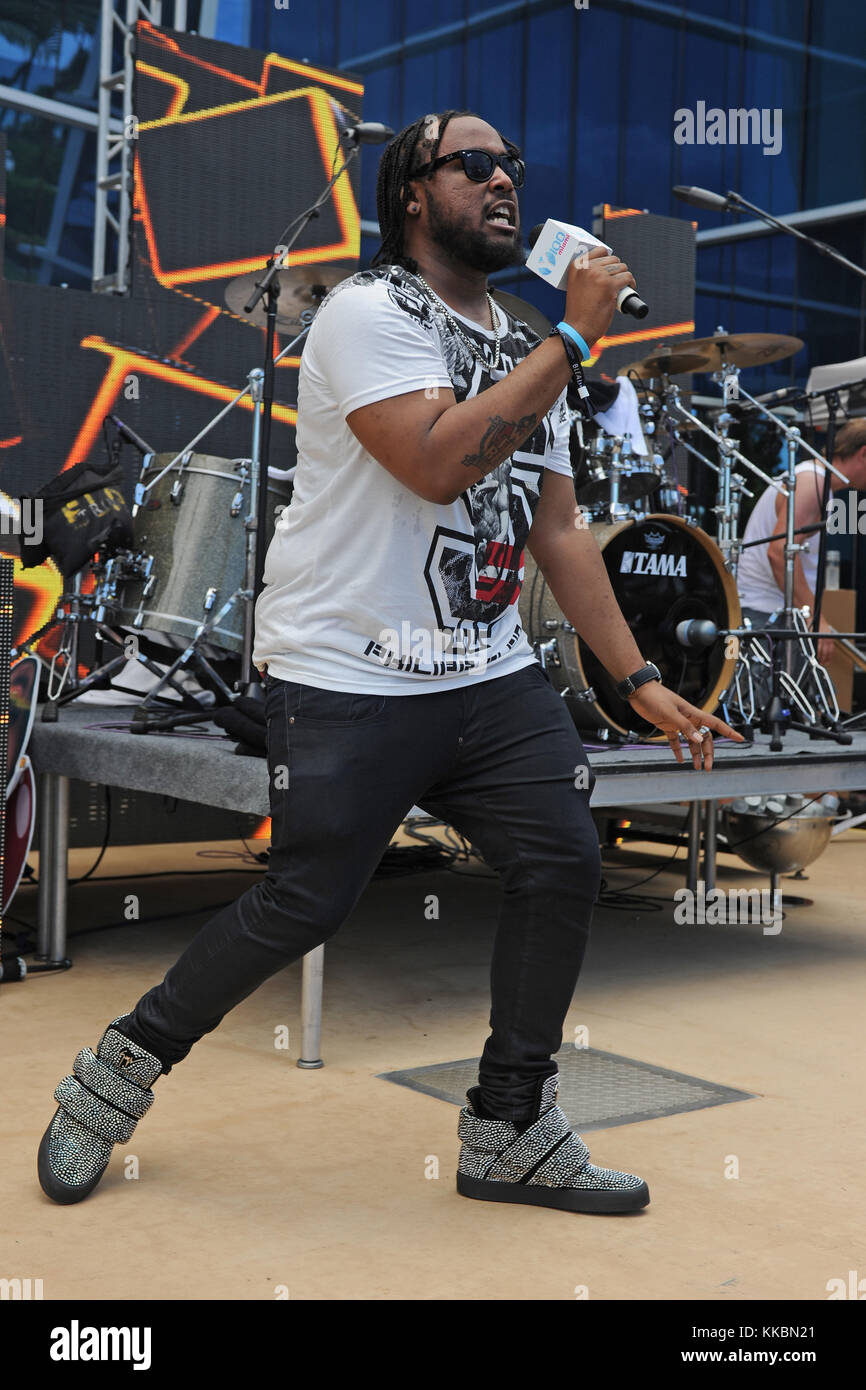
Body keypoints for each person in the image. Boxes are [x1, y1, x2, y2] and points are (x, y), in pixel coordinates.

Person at [38, 110, 742, 1216]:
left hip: (486, 670)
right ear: (412, 192)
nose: (503, 178)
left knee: (560, 857)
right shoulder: (364, 314)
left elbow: (556, 530)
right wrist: (578, 343)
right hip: (350, 670)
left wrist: (639, 678)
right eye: (474, 163)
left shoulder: (524, 342)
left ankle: (507, 1125)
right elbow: (429, 462)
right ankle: (118, 1070)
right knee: (306, 899)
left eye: (513, 162)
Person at [737, 418, 866, 663]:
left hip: (768, 613)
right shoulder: (813, 482)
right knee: (772, 699)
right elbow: (781, 553)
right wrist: (815, 619)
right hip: (764, 615)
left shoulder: (815, 481)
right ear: (863, 453)